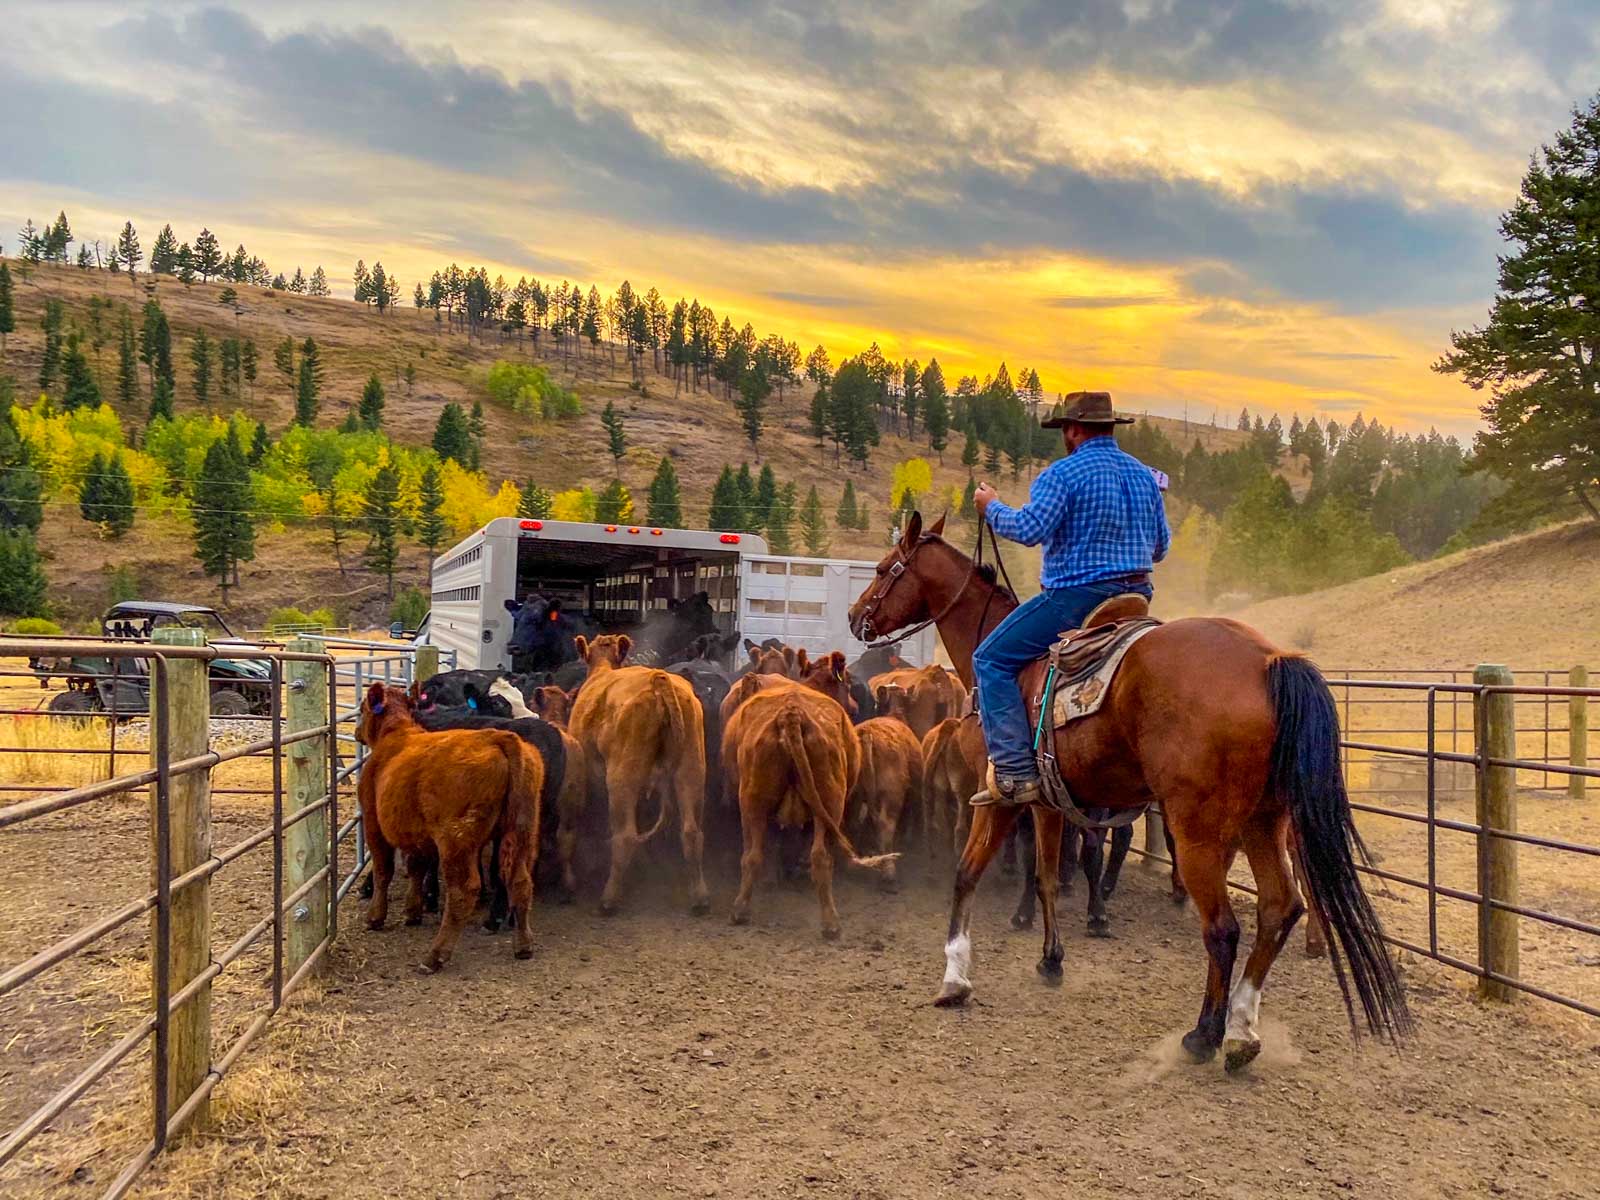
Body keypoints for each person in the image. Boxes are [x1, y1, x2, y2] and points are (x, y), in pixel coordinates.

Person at [971, 391, 1170, 806]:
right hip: (1137, 597)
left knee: (990, 659)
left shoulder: (1062, 475)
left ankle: (1014, 771)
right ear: (1109, 428)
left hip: (1078, 598)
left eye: (1065, 428)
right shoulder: (1144, 477)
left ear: (1073, 430)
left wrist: (991, 506)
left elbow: (1028, 530)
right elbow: (1160, 548)